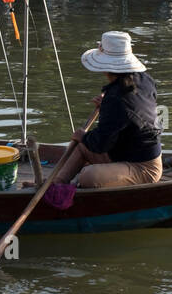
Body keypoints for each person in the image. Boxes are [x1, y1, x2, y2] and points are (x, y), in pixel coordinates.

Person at [52, 31, 163, 189]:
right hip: (121, 153)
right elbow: (132, 109)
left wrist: (82, 136)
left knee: (88, 175)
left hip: (144, 167)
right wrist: (106, 107)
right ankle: (55, 184)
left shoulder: (116, 99)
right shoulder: (144, 78)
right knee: (82, 146)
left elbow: (100, 145)